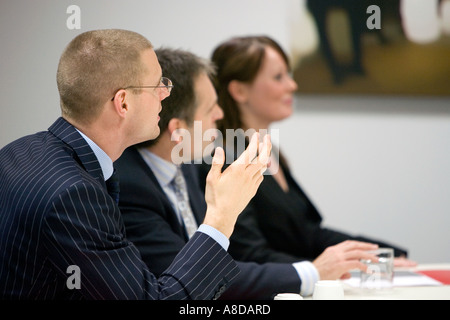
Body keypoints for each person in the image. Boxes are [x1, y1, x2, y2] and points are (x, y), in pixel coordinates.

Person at [0, 29, 270, 300]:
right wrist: (221, 216)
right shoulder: (73, 195)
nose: (166, 93)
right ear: (124, 103)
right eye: (158, 85)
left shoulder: (17, 151)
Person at [115, 48, 374, 298]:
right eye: (210, 109)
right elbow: (197, 275)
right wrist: (314, 272)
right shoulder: (131, 185)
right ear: (178, 130)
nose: (219, 114)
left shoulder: (188, 166)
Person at [198, 35, 416, 289]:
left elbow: (308, 232)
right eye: (278, 77)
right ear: (239, 90)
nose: (292, 85)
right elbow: (248, 254)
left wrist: (382, 254)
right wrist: (320, 270)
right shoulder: (226, 160)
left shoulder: (268, 152)